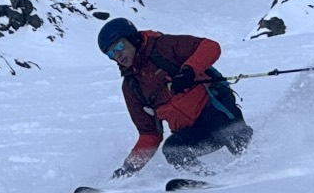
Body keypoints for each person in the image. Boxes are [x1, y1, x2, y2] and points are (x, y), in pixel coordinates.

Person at [98, 17, 252, 179]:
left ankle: (257, 167)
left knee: (229, 133)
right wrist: (129, 168)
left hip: (215, 108)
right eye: (111, 53)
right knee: (173, 150)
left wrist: (189, 71)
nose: (117, 55)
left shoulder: (163, 47)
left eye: (119, 46)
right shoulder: (131, 86)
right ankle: (207, 179)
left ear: (132, 38)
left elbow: (210, 47)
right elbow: (149, 134)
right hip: (193, 131)